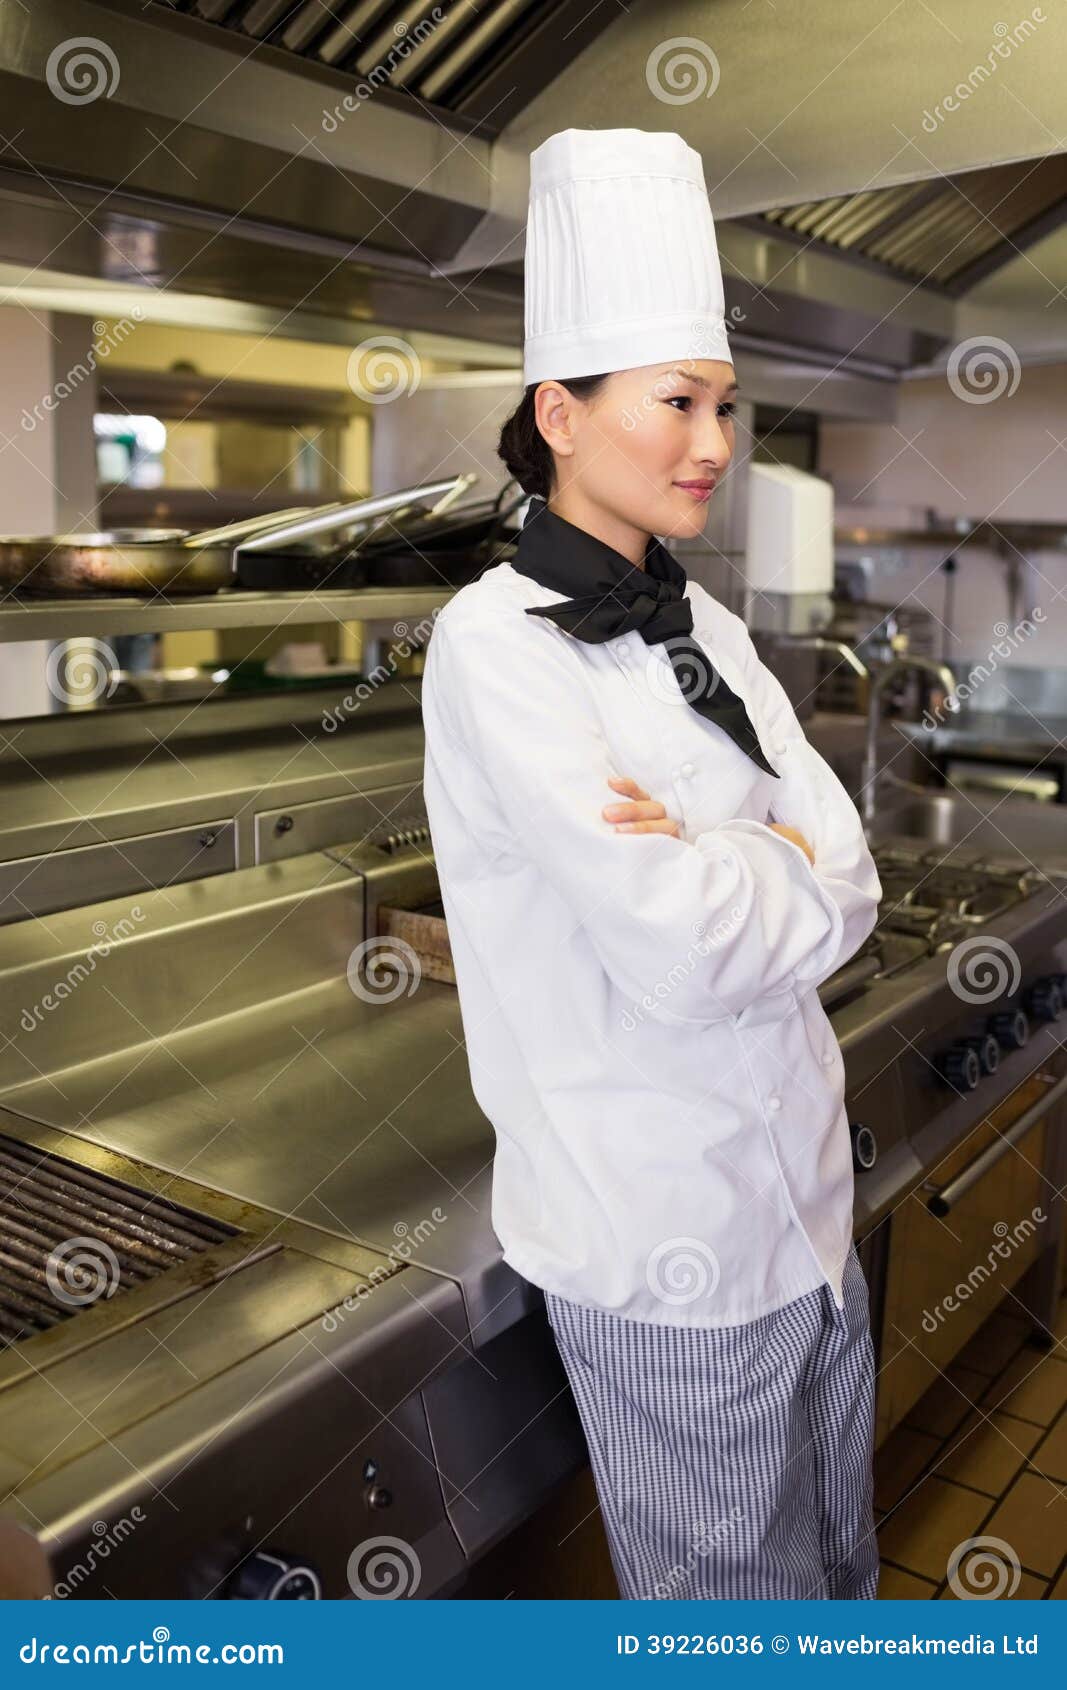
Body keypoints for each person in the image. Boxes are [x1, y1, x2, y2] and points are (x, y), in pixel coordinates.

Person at [419, 127, 884, 1601]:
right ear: (560, 411)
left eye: (727, 403)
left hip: (808, 1212)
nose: (717, 444)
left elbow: (854, 873)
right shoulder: (494, 649)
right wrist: (763, 862)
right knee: (733, 1623)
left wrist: (731, 859)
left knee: (843, 1577)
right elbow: (680, 949)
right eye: (680, 402)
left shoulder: (709, 624)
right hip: (662, 1242)